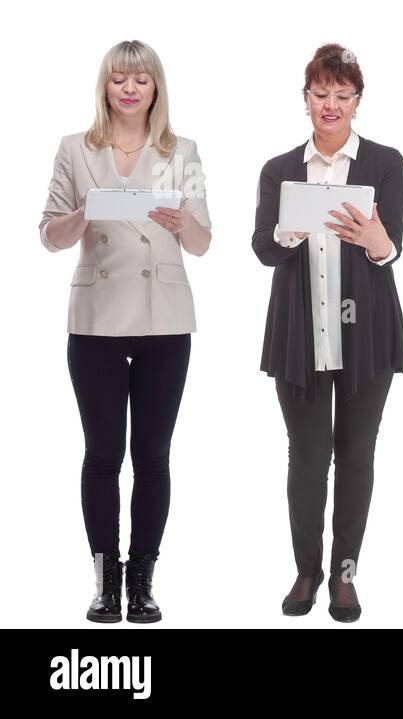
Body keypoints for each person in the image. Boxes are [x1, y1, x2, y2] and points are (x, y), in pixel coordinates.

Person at [40, 39, 212, 623]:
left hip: (165, 318)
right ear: (105, 87)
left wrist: (181, 219)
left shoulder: (181, 151)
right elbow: (49, 235)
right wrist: (87, 210)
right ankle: (103, 579)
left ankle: (142, 581)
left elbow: (203, 243)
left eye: (140, 79)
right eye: (119, 79)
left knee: (153, 454)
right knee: (102, 453)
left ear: (156, 86)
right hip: (96, 321)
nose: (130, 88)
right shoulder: (75, 149)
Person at [252, 43, 403, 623]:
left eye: (343, 95)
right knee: (307, 459)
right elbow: (263, 247)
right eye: (322, 94)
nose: (331, 105)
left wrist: (378, 243)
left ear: (358, 101)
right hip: (300, 332)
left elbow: (394, 249)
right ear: (306, 99)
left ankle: (345, 574)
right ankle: (306, 571)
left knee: (357, 455)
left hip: (365, 332)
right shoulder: (280, 169)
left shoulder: (385, 163)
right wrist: (290, 232)